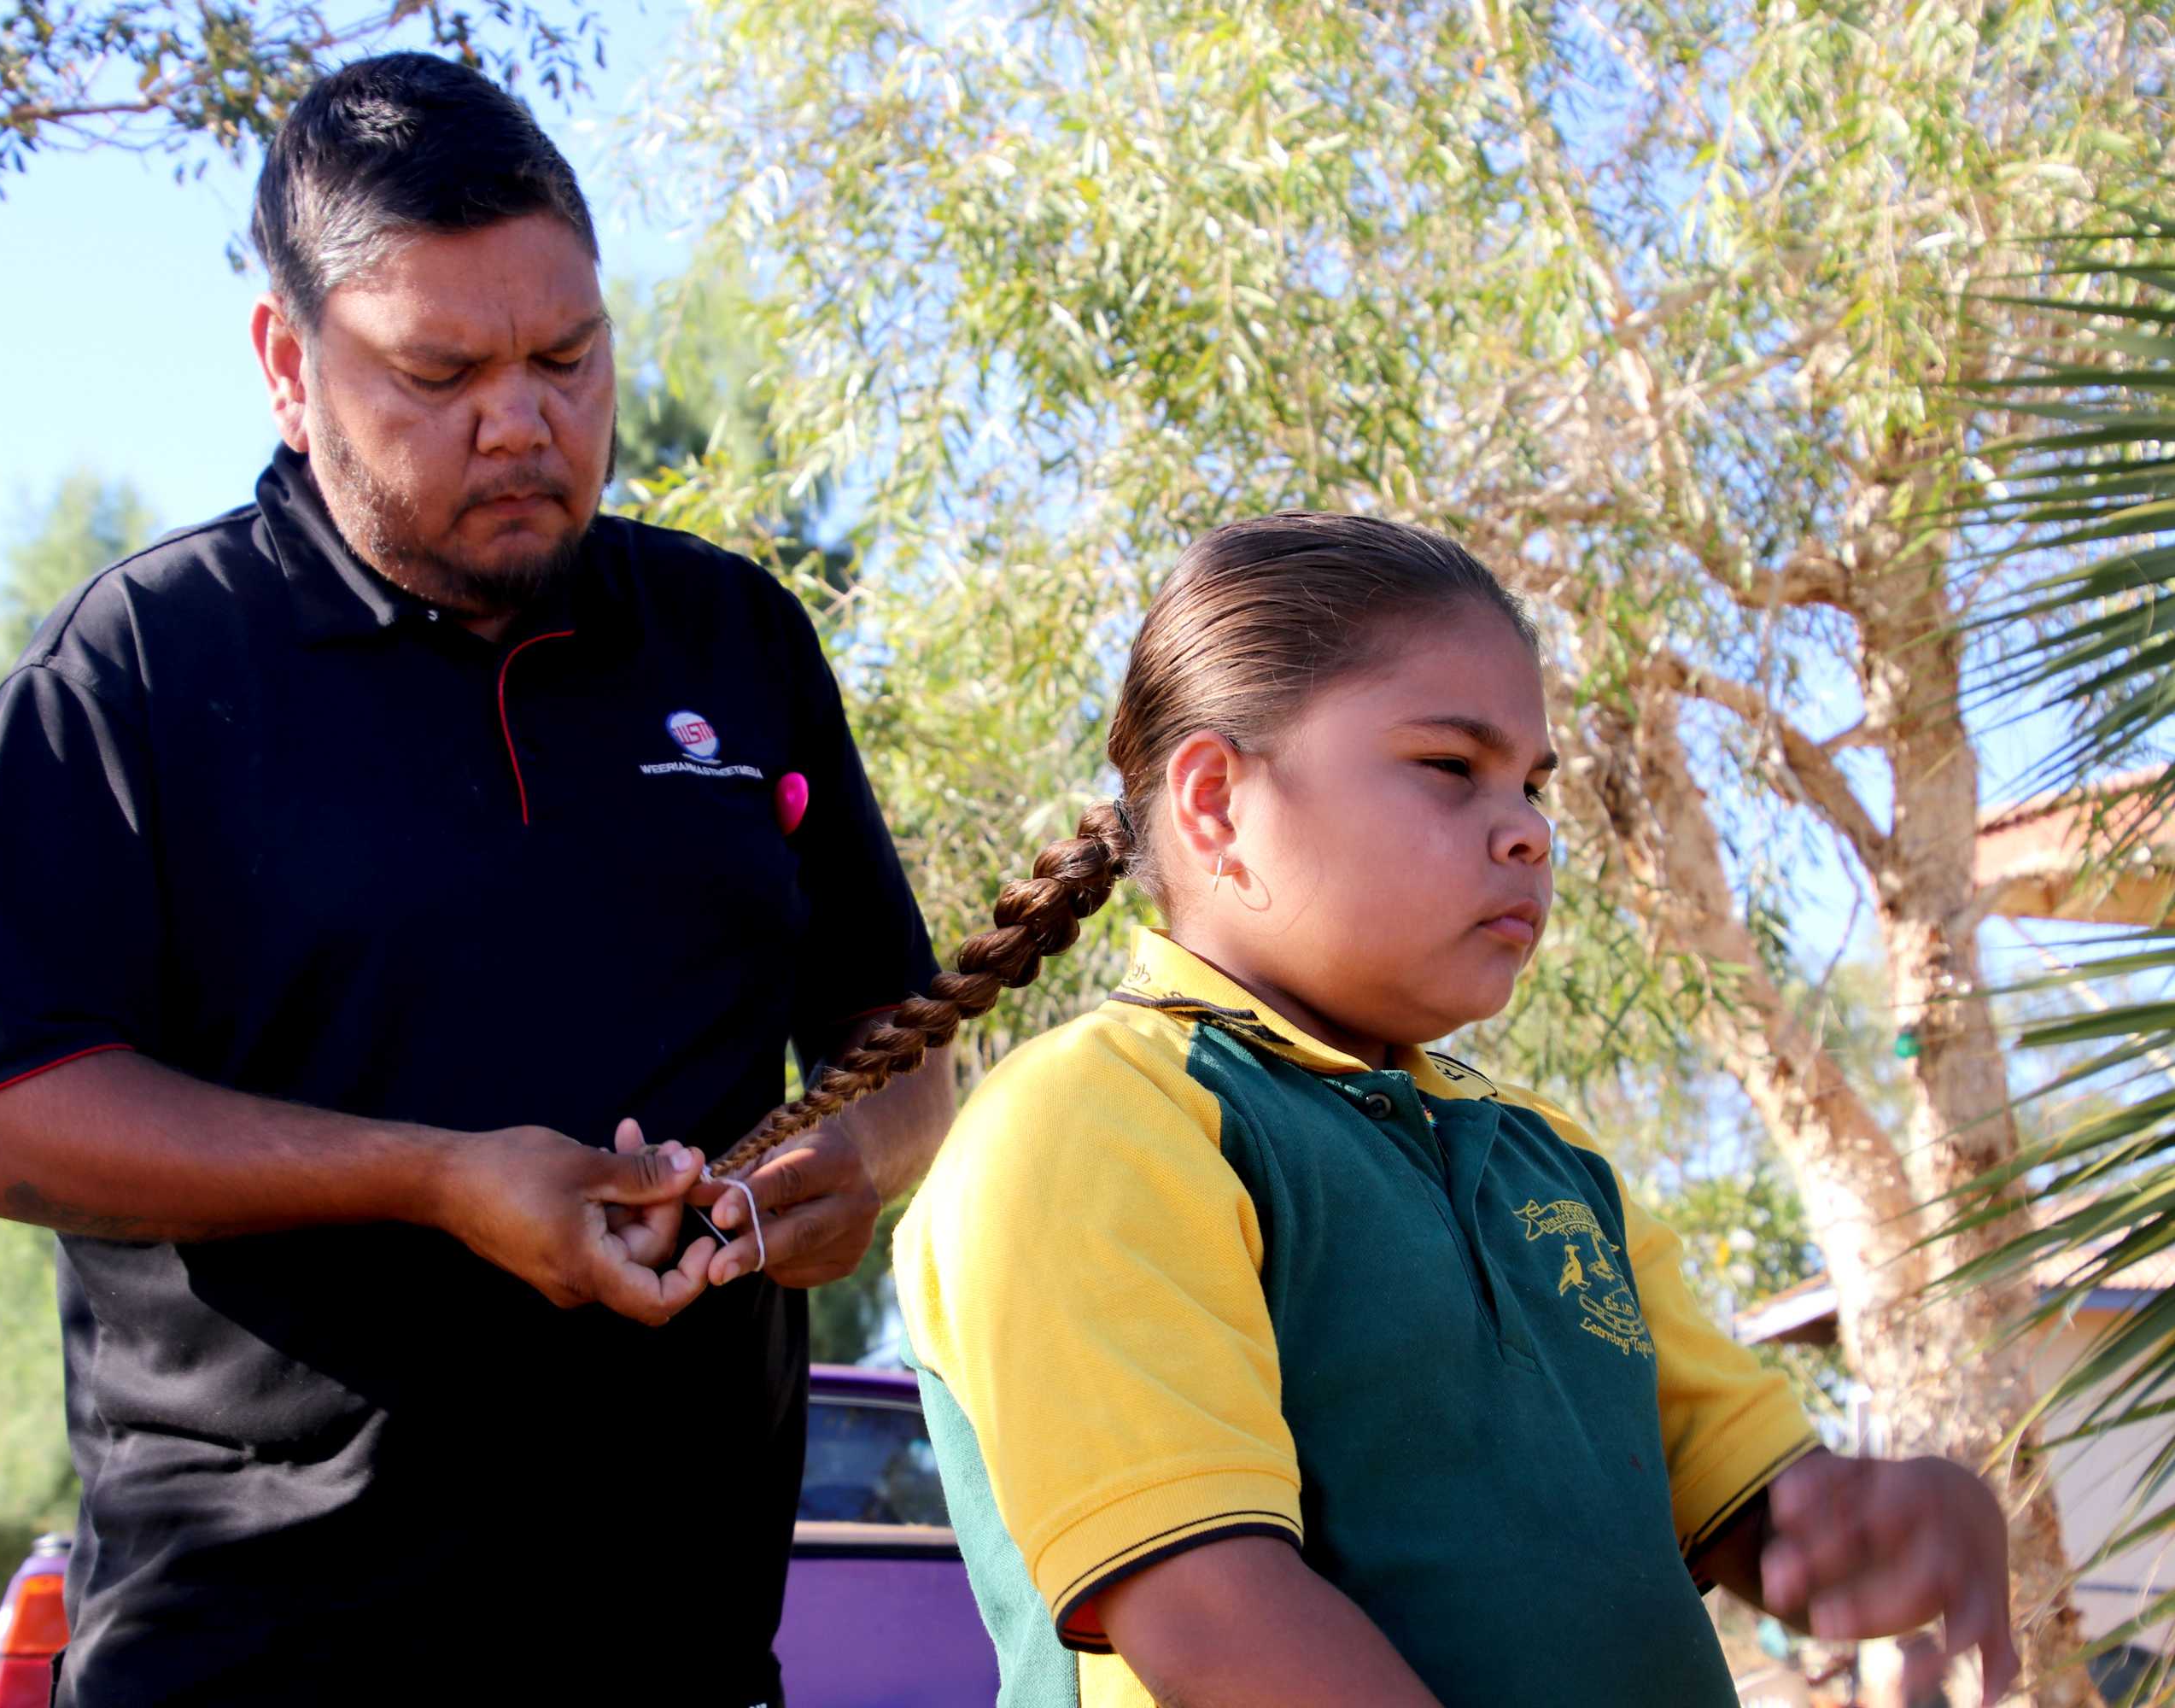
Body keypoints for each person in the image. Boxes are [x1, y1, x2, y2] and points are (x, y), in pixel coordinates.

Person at [0, 52, 952, 1708]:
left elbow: (908, 1037)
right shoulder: (143, 666)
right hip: (254, 1656)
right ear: (287, 368)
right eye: (440, 369)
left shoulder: (732, 638)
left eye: (568, 357)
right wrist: (431, 1179)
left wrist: (848, 1158)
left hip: (675, 1651)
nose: (522, 419)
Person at [725, 513, 2019, 1705]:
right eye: (1452, 766)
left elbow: (1762, 1517)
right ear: (1217, 802)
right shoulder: (1091, 1127)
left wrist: (1888, 1523)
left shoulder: (1549, 1164)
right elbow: (1215, 1622)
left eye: (1535, 785)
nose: (1524, 832)